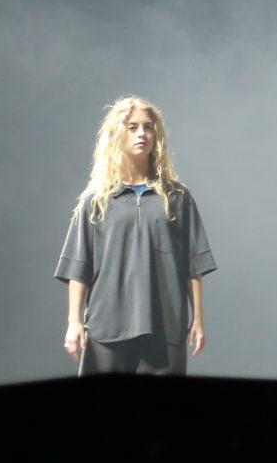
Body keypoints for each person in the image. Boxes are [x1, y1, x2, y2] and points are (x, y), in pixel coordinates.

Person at [56, 97, 216, 375]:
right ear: (117, 134)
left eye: (148, 127)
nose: (142, 133)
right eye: (132, 127)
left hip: (164, 326)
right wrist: (73, 323)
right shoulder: (96, 200)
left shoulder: (176, 198)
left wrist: (198, 318)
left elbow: (194, 263)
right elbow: (78, 267)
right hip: (108, 327)